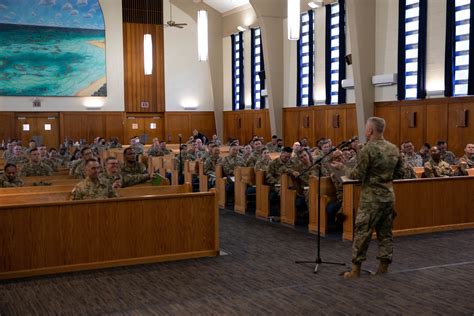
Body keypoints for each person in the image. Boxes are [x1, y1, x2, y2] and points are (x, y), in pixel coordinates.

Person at [342, 117, 404, 279]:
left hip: (371, 199)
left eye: (365, 128)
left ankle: (355, 269)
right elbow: (400, 173)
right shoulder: (393, 148)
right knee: (385, 233)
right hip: (388, 197)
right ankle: (383, 267)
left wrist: (342, 168)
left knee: (363, 232)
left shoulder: (367, 149)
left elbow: (358, 174)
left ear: (370, 131)